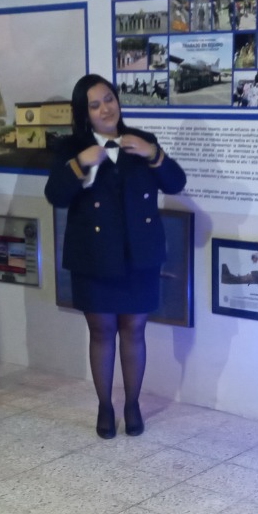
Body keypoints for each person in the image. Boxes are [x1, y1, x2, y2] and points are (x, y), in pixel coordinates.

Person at [45, 74, 186, 438]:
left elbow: (176, 183)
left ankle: (132, 404)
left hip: (139, 255)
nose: (106, 109)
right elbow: (56, 195)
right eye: (95, 105)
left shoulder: (140, 140)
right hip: (94, 257)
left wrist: (153, 154)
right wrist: (80, 163)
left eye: (109, 99)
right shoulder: (70, 147)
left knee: (134, 330)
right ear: (84, 113)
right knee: (102, 331)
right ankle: (105, 406)